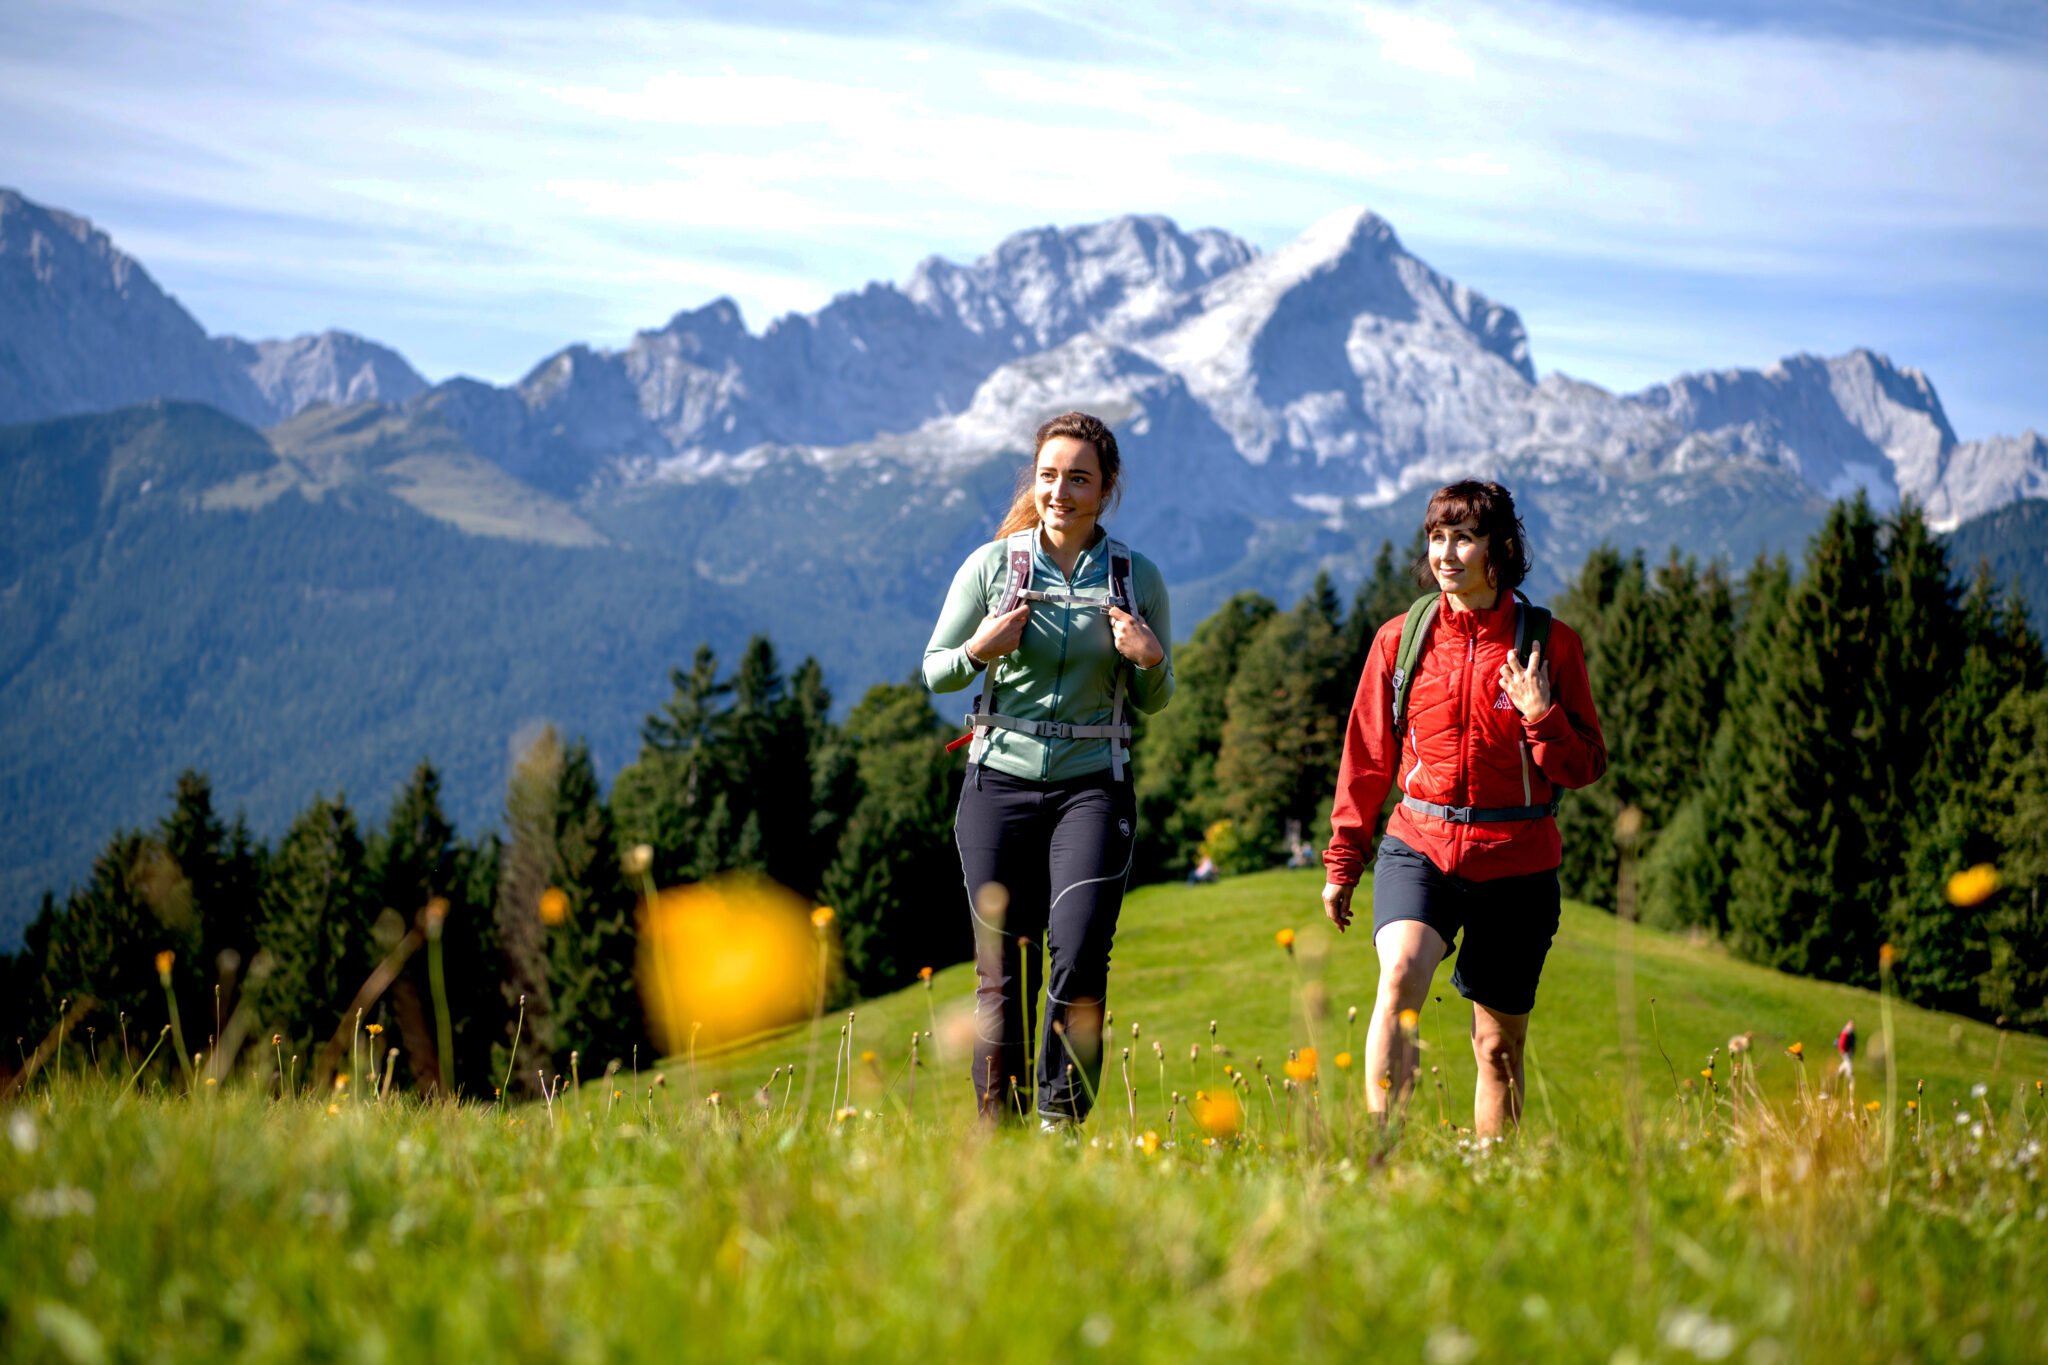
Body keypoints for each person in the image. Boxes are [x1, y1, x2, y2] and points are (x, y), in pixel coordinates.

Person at [1319, 480, 1606, 1136]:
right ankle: (1379, 1155)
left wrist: (1543, 718)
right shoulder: (1403, 639)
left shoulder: (1550, 644)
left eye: (1463, 538)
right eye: (1436, 537)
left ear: (1499, 549)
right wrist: (1343, 861)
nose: (1446, 553)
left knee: (1497, 1047)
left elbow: (1585, 765)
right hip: (1419, 842)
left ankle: (1488, 1185)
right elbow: (1366, 758)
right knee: (1398, 980)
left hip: (1518, 861)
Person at [924, 411, 1174, 1125]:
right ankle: (997, 1133)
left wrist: (1150, 660)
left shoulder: (1134, 575)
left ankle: (1061, 1125)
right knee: (1003, 973)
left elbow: (1157, 700)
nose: (1060, 491)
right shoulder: (992, 565)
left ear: (1107, 487)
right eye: (1048, 476)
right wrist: (981, 647)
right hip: (996, 783)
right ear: (1034, 482)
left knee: (1080, 953)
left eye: (1078, 479)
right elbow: (935, 672)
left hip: (1093, 787)